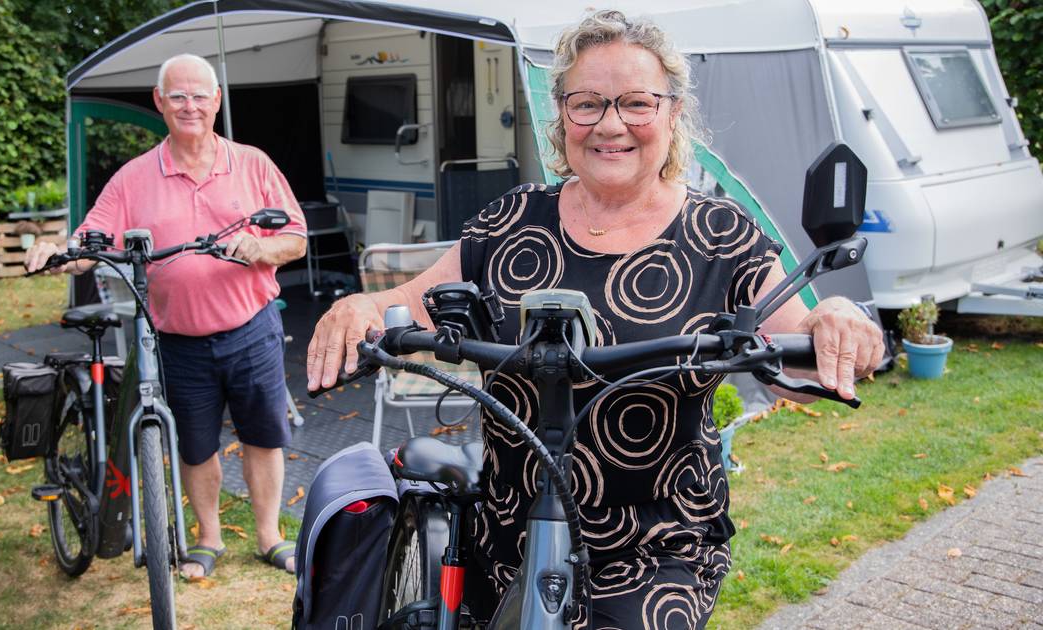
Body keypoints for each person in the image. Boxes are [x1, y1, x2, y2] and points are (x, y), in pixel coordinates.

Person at [306, 10, 884, 629]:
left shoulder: (722, 236)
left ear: (672, 112)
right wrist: (361, 306)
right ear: (562, 116)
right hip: (507, 535)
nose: (611, 125)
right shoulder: (511, 221)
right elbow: (410, 302)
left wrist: (839, 320)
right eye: (588, 104)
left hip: (656, 547)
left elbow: (794, 352)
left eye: (636, 103)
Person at [25, 53, 307, 578]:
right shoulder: (134, 178)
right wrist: (55, 249)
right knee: (196, 445)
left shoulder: (252, 163)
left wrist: (262, 249)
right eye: (178, 95)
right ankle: (209, 538)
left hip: (252, 327)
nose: (190, 106)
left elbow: (295, 238)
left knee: (264, 437)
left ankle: (270, 536)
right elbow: (92, 240)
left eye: (200, 95)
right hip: (176, 338)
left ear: (217, 101)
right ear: (159, 102)